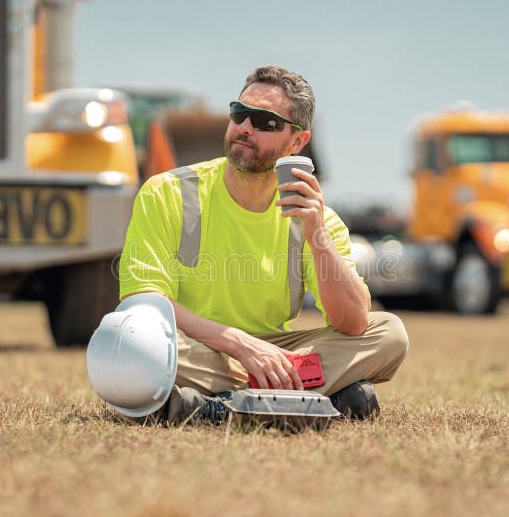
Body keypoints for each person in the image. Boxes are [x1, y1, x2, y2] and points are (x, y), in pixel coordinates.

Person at [115, 65, 408, 423]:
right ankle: (311, 397)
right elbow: (142, 301)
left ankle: (218, 406)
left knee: (390, 334)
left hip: (275, 352)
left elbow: (353, 323)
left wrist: (316, 235)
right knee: (133, 340)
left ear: (298, 141)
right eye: (239, 114)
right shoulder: (167, 192)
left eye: (265, 122)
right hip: (193, 344)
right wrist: (240, 344)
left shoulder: (319, 219)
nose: (245, 128)